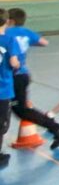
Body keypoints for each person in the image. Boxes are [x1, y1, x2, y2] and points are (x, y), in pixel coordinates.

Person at [4, 8, 59, 148]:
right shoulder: (25, 32)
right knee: (19, 109)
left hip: (13, 76)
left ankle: (57, 128)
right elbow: (44, 42)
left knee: (21, 109)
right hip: (22, 74)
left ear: (10, 21)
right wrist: (28, 43)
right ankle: (56, 128)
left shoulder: (6, 33)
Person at [0, 9, 20, 170]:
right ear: (7, 22)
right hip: (3, 89)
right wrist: (17, 65)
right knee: (2, 125)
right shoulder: (9, 40)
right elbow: (14, 63)